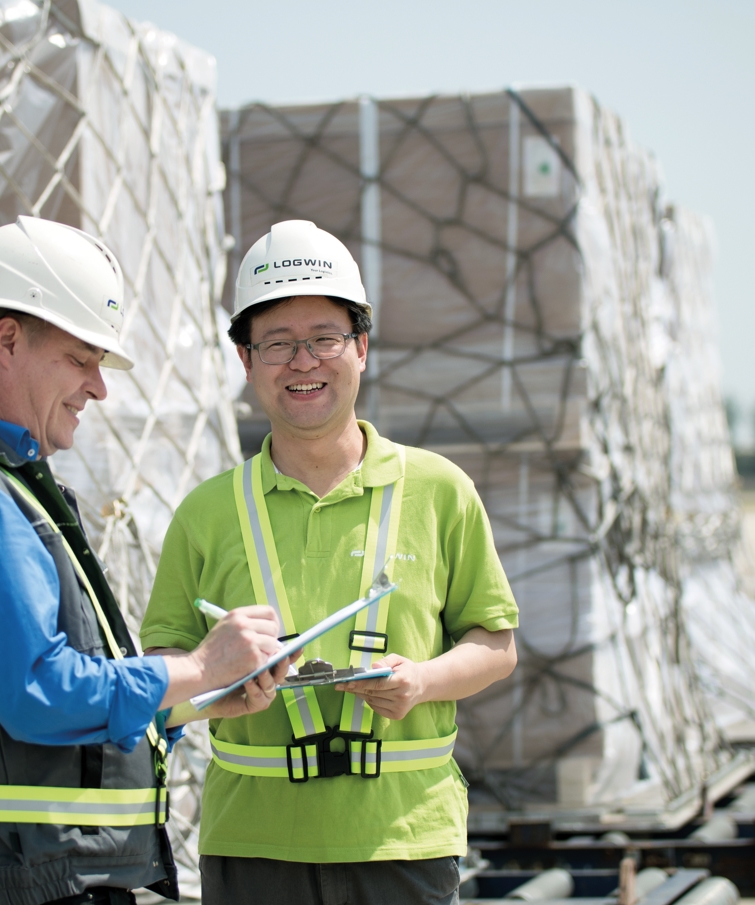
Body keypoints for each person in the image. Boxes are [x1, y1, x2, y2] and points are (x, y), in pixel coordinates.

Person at [0, 216, 293, 905]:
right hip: (26, 880)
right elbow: (39, 692)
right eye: (81, 359)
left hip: (41, 875)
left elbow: (55, 717)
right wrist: (197, 666)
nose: (99, 387)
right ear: (8, 340)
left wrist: (193, 699)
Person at [140, 220, 520, 905]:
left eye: (324, 338)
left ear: (361, 347)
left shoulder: (439, 490)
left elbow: (496, 645)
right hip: (252, 844)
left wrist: (422, 681)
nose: (303, 362)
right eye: (277, 343)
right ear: (246, 360)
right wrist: (219, 685)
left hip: (404, 841)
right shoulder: (206, 512)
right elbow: (164, 662)